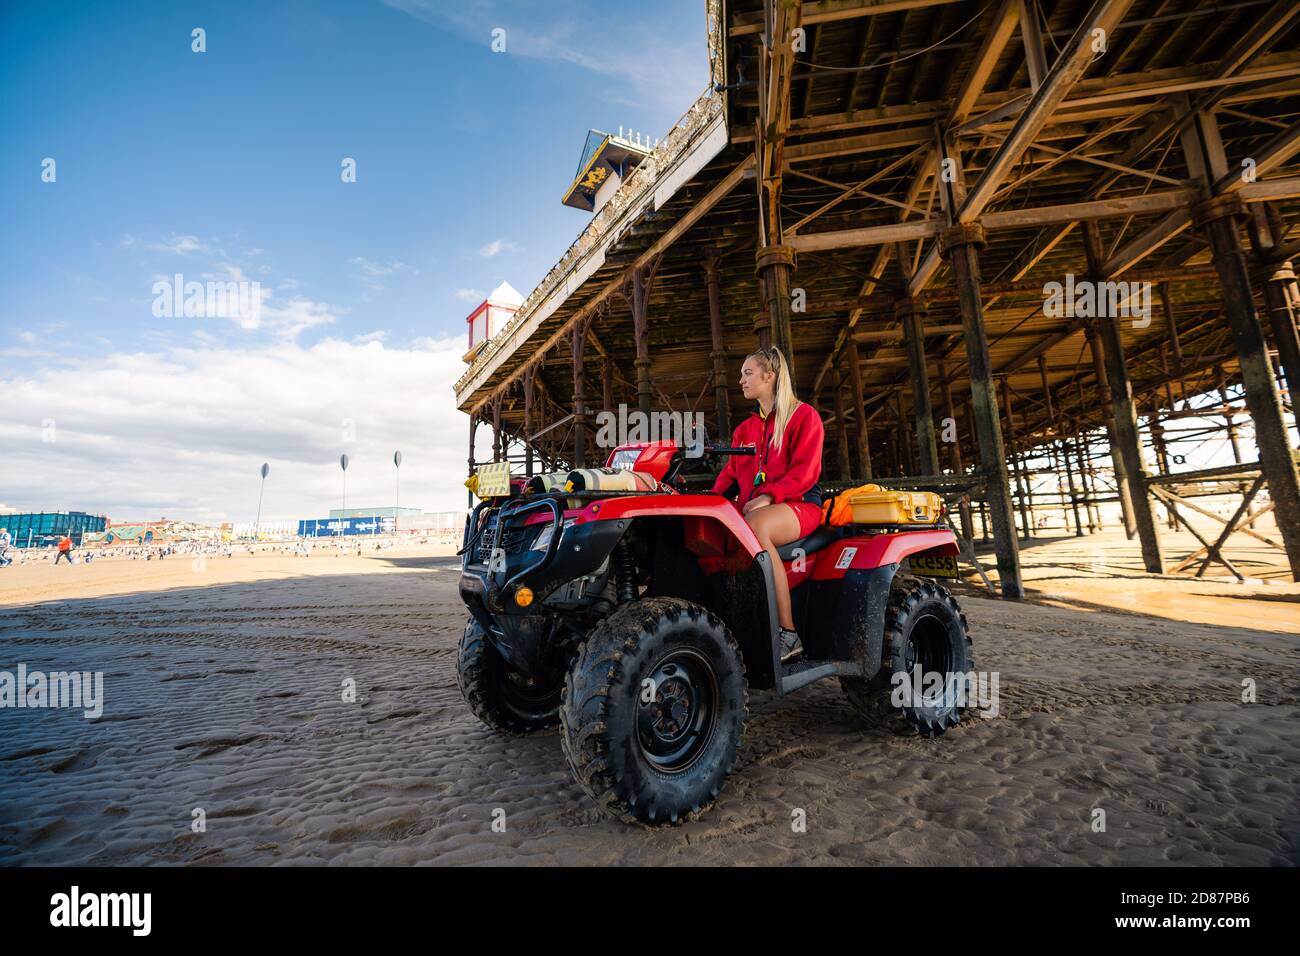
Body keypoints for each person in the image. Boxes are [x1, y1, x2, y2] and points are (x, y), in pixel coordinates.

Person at [711, 346, 824, 662]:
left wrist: (769, 495)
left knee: (755, 526)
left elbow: (805, 472)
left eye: (747, 373)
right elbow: (728, 478)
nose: (740, 381)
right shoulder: (743, 430)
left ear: (770, 375)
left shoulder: (803, 416)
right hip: (758, 507)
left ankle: (788, 634)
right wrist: (704, 501)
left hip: (800, 505)